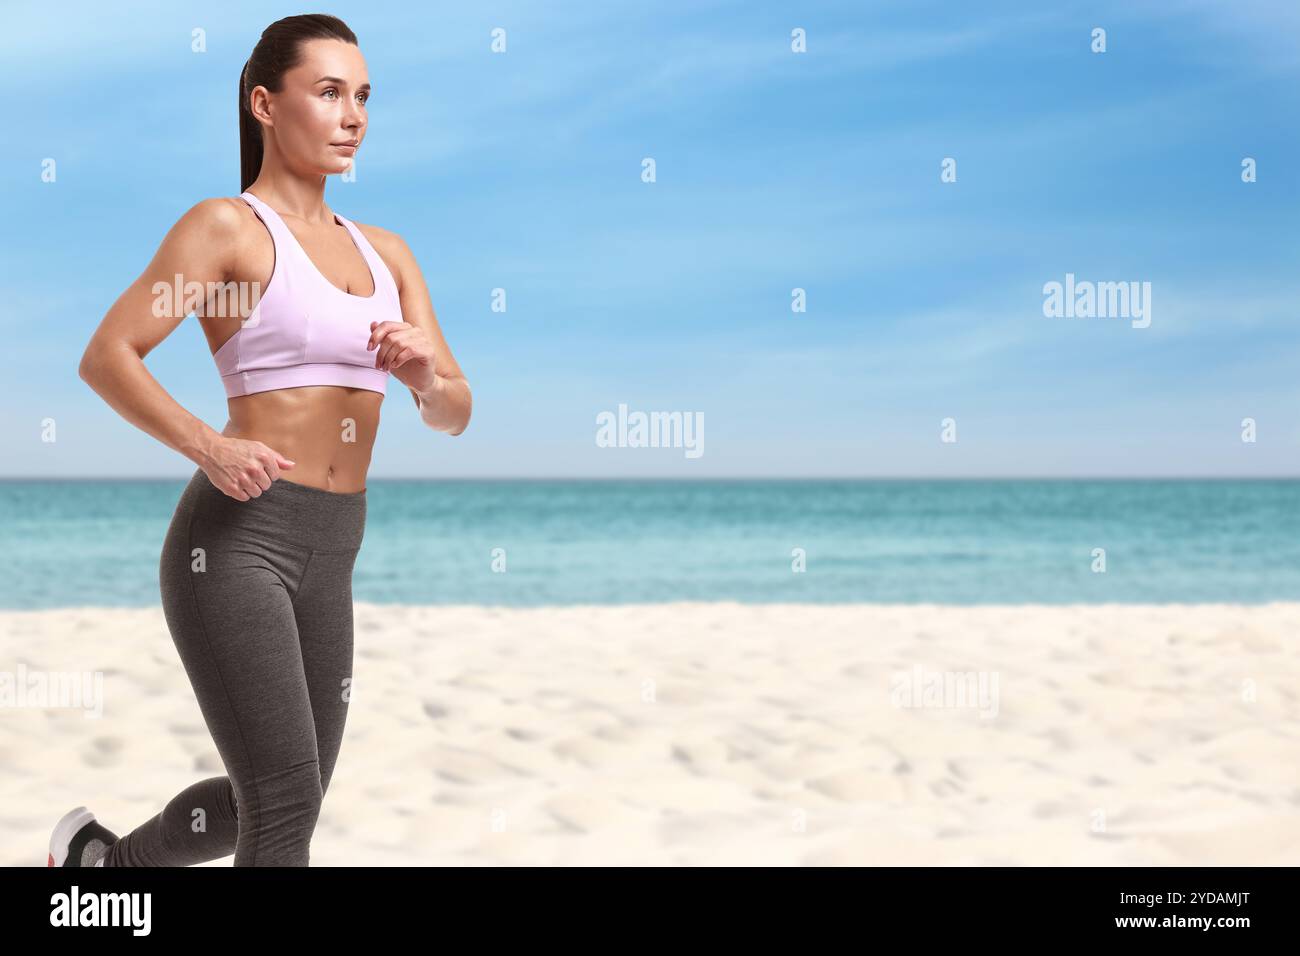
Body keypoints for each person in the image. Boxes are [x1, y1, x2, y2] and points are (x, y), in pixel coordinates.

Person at [57, 13, 471, 867]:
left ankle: (105, 866)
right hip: (238, 540)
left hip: (336, 546)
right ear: (264, 105)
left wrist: (428, 374)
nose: (352, 114)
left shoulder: (389, 253)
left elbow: (453, 412)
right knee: (282, 805)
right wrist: (210, 445)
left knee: (287, 798)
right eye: (328, 92)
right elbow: (109, 357)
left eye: (362, 96)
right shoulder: (226, 229)